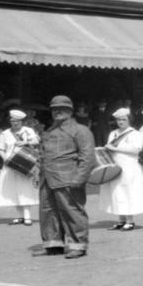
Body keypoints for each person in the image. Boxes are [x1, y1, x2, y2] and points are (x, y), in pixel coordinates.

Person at [36, 95, 94, 259]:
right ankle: (53, 245)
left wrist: (79, 178)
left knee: (72, 212)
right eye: (54, 109)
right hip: (47, 178)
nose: (57, 112)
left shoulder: (81, 130)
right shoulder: (50, 131)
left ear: (70, 110)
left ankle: (78, 245)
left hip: (68, 178)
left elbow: (87, 157)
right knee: (48, 211)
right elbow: (42, 154)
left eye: (62, 108)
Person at [101, 108, 143, 232]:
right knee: (117, 192)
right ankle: (120, 220)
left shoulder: (134, 134)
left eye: (123, 119)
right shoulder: (113, 133)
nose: (120, 122)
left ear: (129, 120)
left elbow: (136, 150)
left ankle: (130, 221)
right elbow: (110, 148)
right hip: (116, 165)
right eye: (118, 120)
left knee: (128, 192)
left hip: (129, 166)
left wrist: (116, 149)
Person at [0, 108, 41, 225]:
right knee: (13, 189)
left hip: (26, 162)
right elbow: (0, 149)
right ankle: (20, 216)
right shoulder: (4, 133)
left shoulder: (28, 131)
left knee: (25, 189)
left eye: (18, 121)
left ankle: (27, 215)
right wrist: (6, 159)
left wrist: (25, 142)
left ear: (21, 122)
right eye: (13, 121)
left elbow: (36, 141)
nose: (15, 123)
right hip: (11, 164)